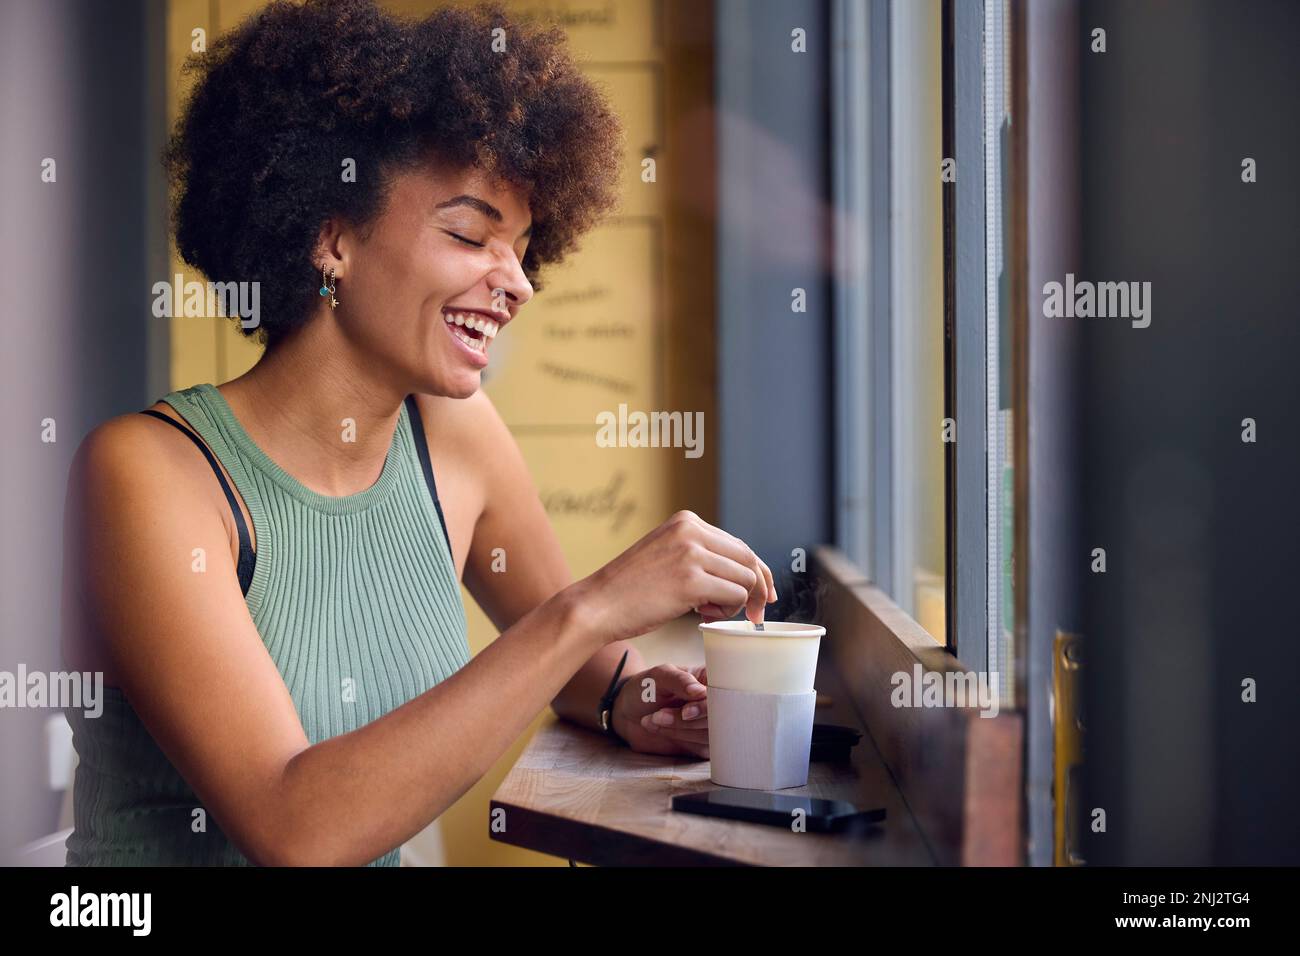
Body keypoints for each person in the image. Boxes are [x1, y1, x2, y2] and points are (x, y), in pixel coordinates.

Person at [58, 0, 774, 866]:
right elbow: (296, 828)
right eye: (471, 233)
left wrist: (632, 697)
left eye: (521, 248)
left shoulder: (454, 434)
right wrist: (590, 607)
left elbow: (583, 670)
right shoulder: (147, 474)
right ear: (331, 240)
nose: (517, 283)